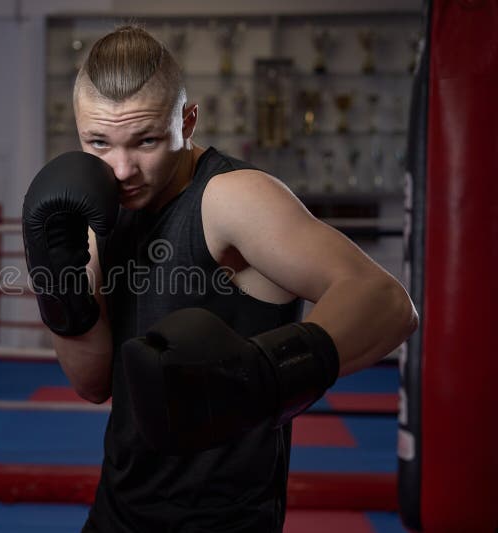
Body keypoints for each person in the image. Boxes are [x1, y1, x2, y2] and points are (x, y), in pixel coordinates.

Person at [22, 24, 418, 532]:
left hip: (225, 520)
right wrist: (60, 285)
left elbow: (387, 301)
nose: (121, 169)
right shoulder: (98, 211)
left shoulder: (231, 199)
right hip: (119, 510)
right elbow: (91, 383)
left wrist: (262, 377)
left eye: (146, 140)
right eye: (98, 142)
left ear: (187, 122)